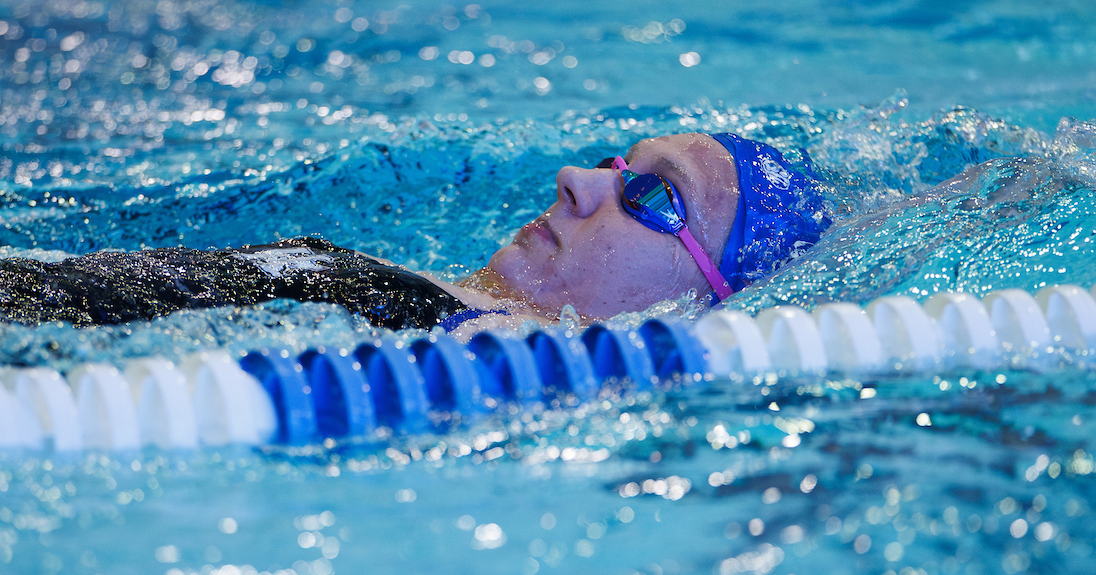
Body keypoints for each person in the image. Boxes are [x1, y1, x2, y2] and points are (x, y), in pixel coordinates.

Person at [0, 132, 830, 335]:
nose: (578, 182)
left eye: (652, 195)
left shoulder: (476, 354)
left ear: (709, 298)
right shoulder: (441, 314)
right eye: (616, 164)